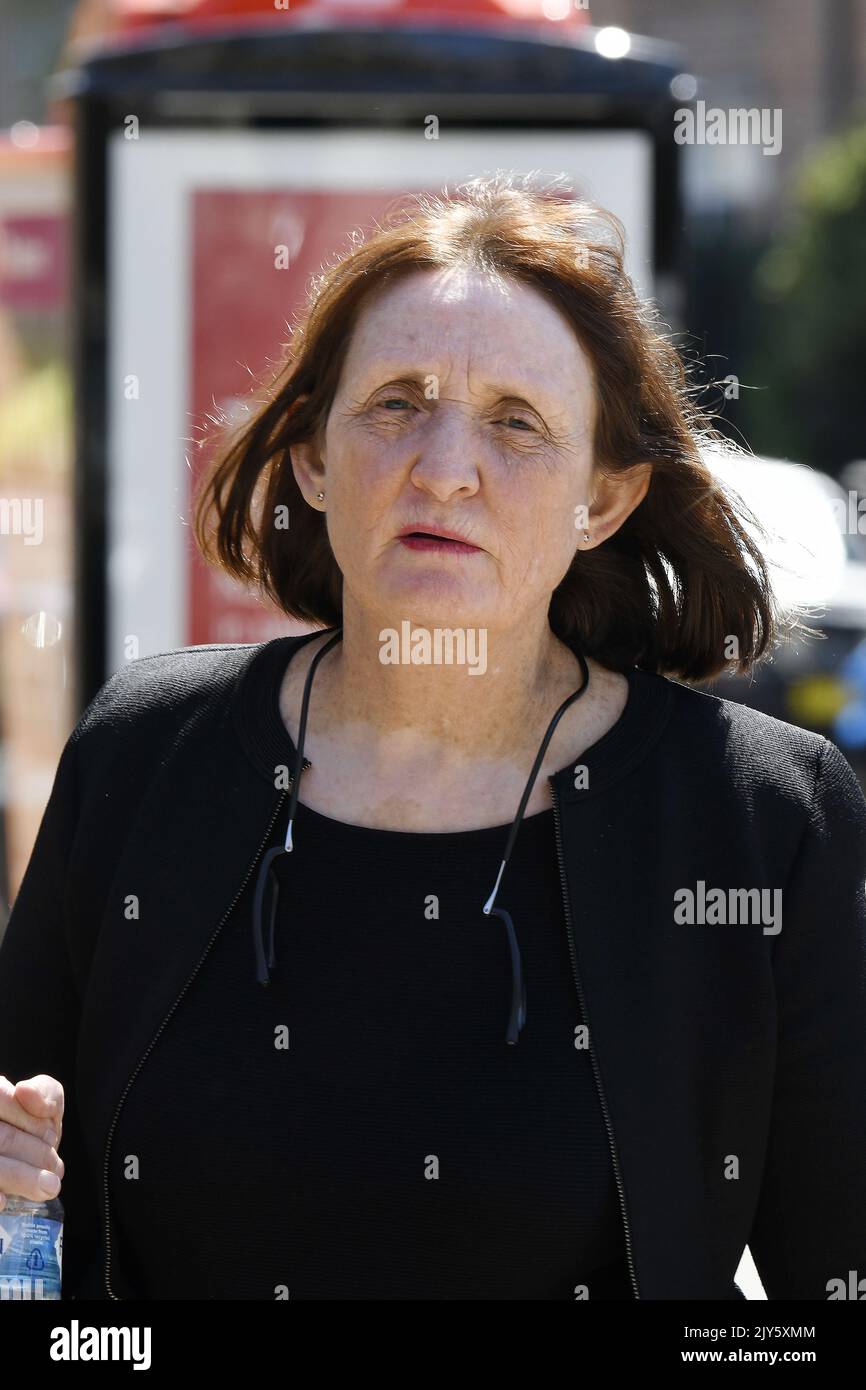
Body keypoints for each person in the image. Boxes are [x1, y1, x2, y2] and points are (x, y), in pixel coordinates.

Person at [1, 173, 864, 1301]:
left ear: (600, 501)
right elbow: (33, 1220)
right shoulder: (143, 751)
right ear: (312, 461)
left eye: (516, 422)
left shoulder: (761, 818)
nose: (444, 467)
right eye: (396, 403)